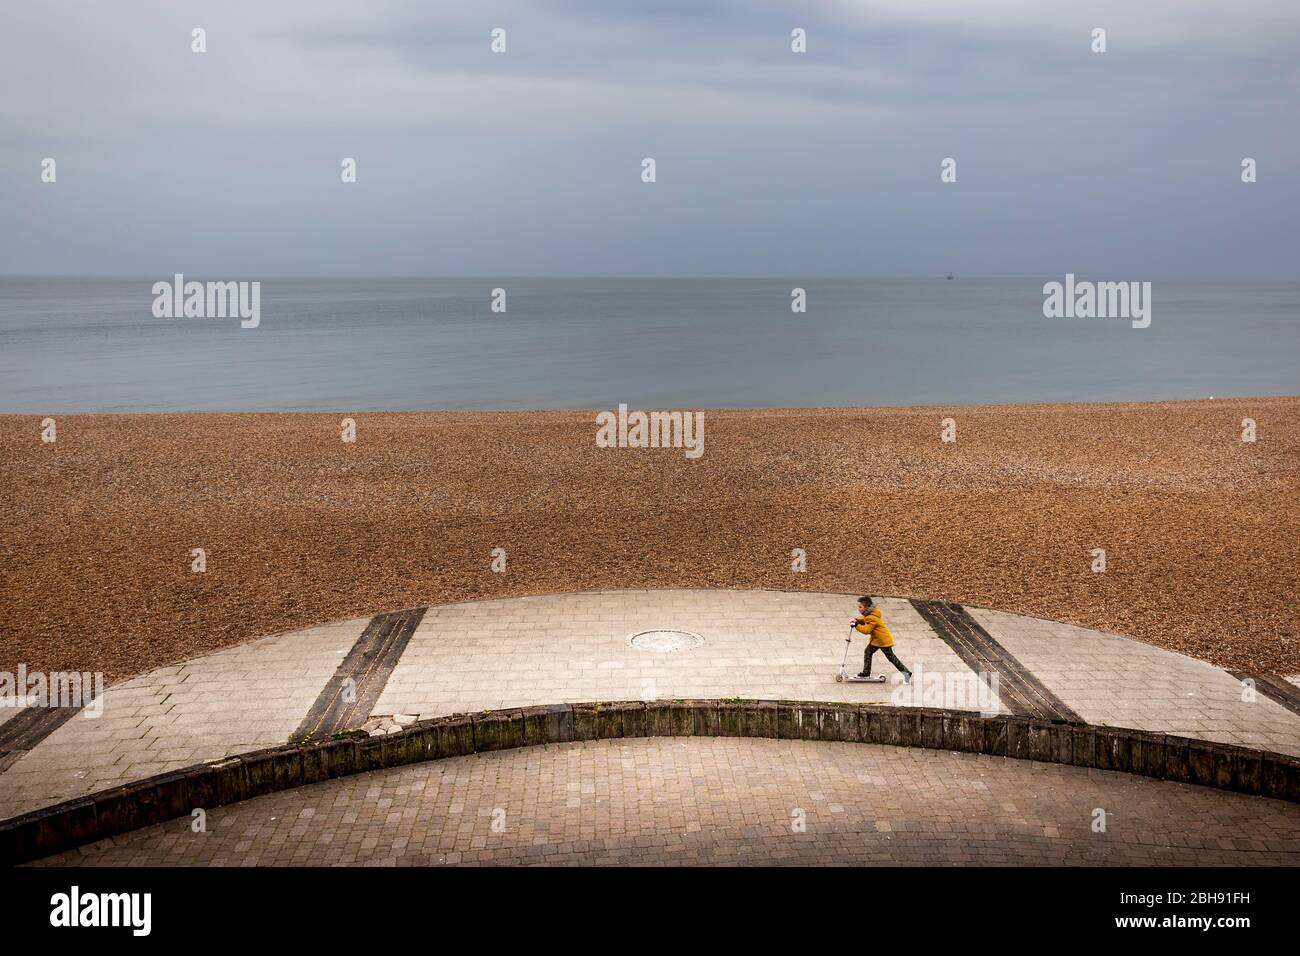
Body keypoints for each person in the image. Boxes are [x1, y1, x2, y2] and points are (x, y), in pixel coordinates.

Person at [852, 596, 912, 683]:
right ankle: (866, 672)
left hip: (883, 641)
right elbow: (865, 621)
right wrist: (858, 621)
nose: (858, 609)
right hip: (877, 640)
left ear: (867, 608)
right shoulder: (871, 614)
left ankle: (907, 673)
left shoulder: (871, 617)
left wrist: (856, 625)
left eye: (860, 607)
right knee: (868, 652)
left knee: (891, 658)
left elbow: (866, 630)